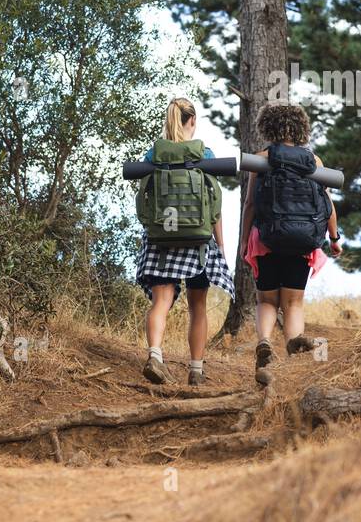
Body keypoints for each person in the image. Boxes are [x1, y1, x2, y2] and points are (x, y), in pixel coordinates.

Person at [239, 103, 341, 385]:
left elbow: (250, 204)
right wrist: (334, 239)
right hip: (303, 241)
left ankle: (264, 342)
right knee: (294, 302)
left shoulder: (260, 159)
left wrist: (244, 239)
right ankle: (295, 345)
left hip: (267, 240)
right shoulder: (314, 162)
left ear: (267, 127)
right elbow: (327, 205)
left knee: (267, 300)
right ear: (301, 129)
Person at [134, 98, 233, 385]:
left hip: (161, 237)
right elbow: (215, 204)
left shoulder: (154, 154)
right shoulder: (206, 154)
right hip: (197, 238)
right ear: (192, 121)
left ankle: (154, 356)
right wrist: (221, 244)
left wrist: (149, 227)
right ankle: (196, 371)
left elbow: (144, 198)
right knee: (197, 305)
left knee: (161, 300)